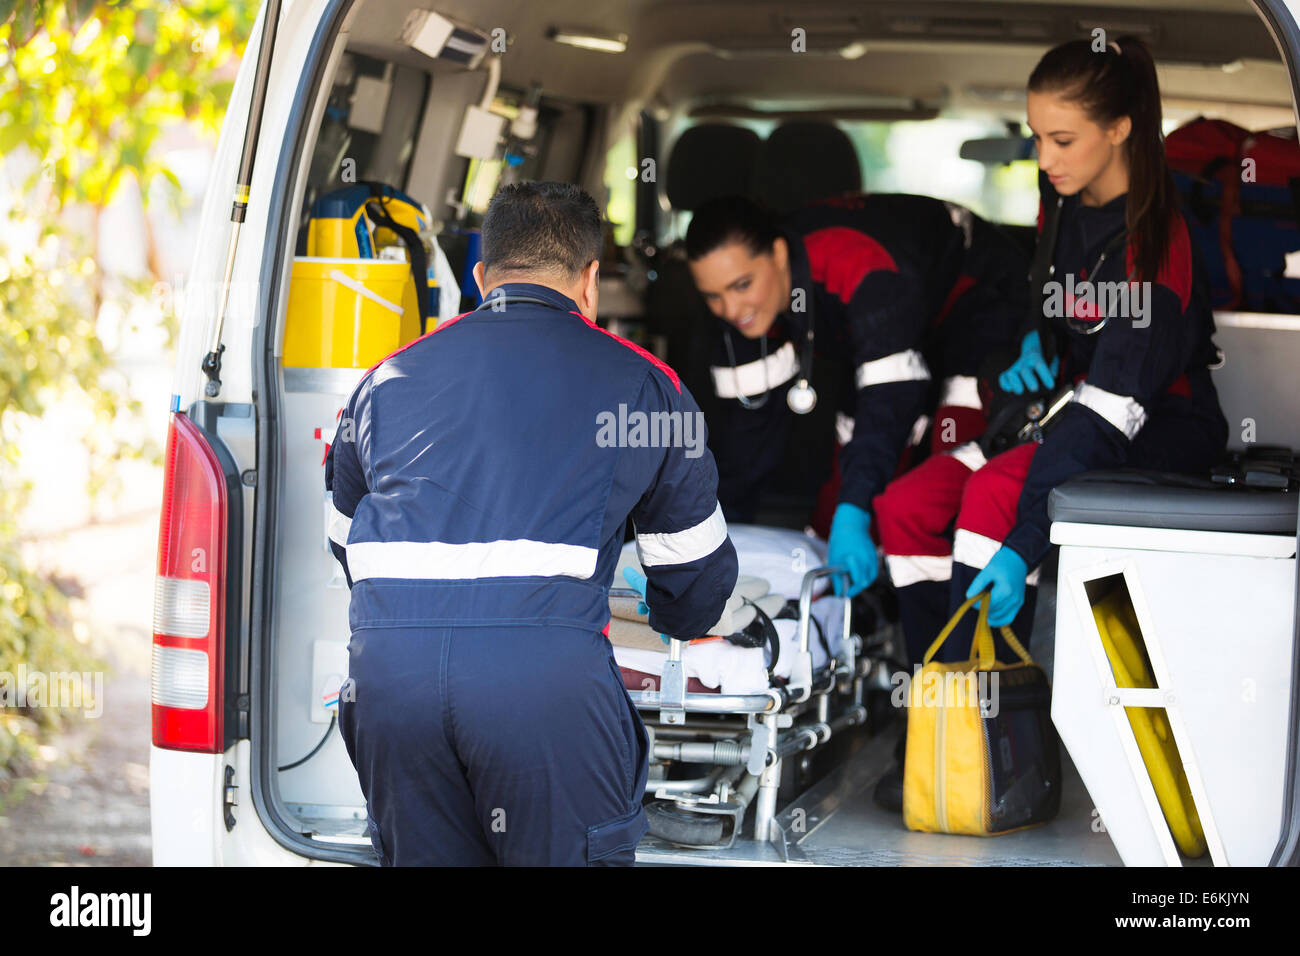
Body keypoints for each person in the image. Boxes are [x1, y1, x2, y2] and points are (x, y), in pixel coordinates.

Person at [327, 181, 739, 865]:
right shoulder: (646, 388)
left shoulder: (385, 378)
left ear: (482, 277)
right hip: (542, 691)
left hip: (388, 683)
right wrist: (662, 613)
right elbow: (695, 586)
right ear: (591, 281)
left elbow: (346, 547)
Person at [870, 35, 1228, 808]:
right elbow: (1054, 303)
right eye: (1035, 135)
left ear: (1123, 127)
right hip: (1070, 406)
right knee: (907, 506)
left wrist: (1023, 545)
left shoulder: (1157, 247)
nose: (1045, 155)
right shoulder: (1062, 199)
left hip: (1156, 428)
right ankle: (932, 722)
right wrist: (1034, 340)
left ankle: (987, 754)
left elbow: (1112, 408)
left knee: (998, 498)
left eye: (1061, 139)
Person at [685, 193, 1028, 598]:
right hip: (882, 332)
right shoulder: (743, 307)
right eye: (713, 296)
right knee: (837, 503)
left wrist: (856, 510)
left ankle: (943, 627)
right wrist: (713, 539)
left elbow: (890, 402)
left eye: (742, 285)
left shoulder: (859, 266)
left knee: (940, 481)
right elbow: (745, 439)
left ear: (778, 254)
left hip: (976, 309)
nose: (730, 307)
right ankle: (850, 611)